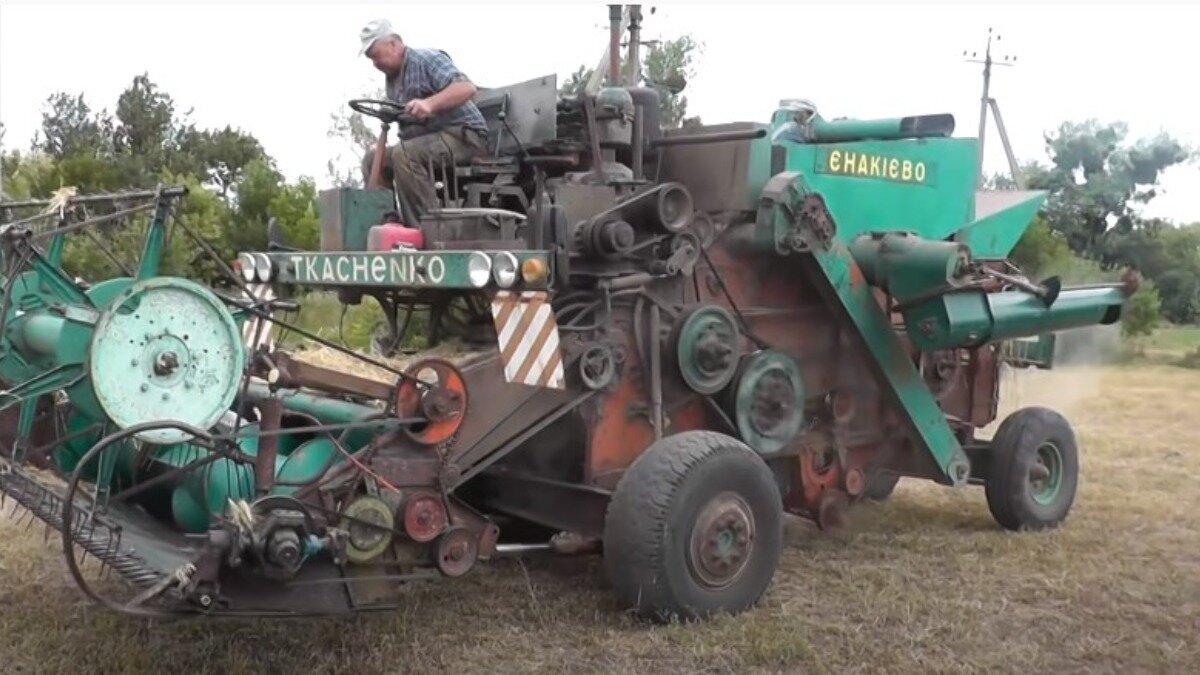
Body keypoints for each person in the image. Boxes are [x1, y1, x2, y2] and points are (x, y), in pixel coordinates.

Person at [357, 19, 489, 224]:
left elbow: (466, 87)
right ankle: (385, 225)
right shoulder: (392, 78)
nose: (375, 63)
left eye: (376, 55)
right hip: (429, 142)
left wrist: (430, 104)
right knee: (373, 159)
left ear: (393, 43)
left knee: (405, 155)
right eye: (371, 59)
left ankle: (425, 231)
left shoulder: (426, 59)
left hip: (464, 137)